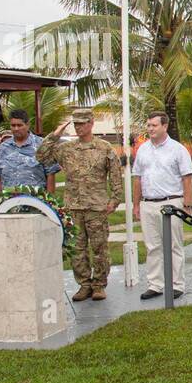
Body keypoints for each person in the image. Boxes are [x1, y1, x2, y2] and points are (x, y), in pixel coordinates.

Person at [37, 107, 123, 301]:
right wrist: (55, 135)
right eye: (75, 124)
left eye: (82, 123)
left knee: (99, 248)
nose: (78, 127)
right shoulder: (66, 149)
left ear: (91, 123)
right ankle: (84, 284)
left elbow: (116, 176)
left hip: (96, 207)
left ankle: (99, 284)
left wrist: (114, 200)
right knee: (77, 249)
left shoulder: (104, 148)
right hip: (73, 206)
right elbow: (41, 156)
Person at [133, 112, 192, 300]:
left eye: (154, 125)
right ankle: (155, 285)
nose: (150, 129)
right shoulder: (143, 149)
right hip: (148, 204)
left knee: (174, 245)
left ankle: (177, 284)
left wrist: (187, 204)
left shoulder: (178, 150)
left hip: (171, 202)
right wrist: (136, 204)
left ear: (165, 126)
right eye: (149, 125)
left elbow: (187, 178)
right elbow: (137, 178)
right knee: (152, 246)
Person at [0, 108, 59, 193]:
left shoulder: (42, 145)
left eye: (19, 125)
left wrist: (49, 201)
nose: (16, 128)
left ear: (28, 125)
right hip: (9, 201)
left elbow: (50, 174)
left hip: (36, 200)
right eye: (13, 125)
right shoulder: (2, 148)